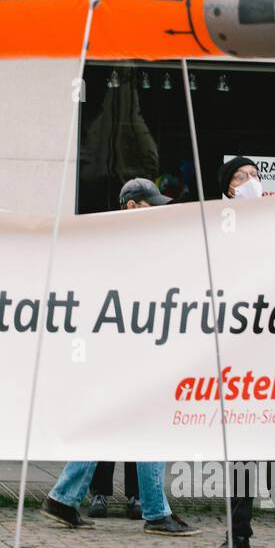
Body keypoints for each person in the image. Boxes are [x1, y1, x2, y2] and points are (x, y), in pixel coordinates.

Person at [41, 178, 196, 536]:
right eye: (150, 205)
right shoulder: (127, 245)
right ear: (132, 206)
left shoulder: (121, 242)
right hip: (130, 346)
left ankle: (64, 498)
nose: (157, 211)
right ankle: (155, 512)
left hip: (120, 346)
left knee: (113, 423)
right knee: (148, 424)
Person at [86, 177, 171, 521]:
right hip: (113, 340)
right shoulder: (108, 240)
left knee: (137, 418)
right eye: (151, 205)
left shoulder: (155, 243)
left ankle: (136, 495)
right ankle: (100, 493)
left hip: (142, 341)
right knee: (110, 419)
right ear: (133, 206)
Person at [213, 156, 264, 548]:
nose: (249, 182)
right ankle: (238, 533)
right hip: (238, 349)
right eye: (240, 177)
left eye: (254, 176)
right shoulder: (218, 225)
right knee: (242, 449)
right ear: (228, 187)